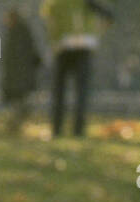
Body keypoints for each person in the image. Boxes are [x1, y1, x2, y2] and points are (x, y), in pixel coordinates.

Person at [41, 0, 114, 137]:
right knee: (80, 91)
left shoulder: (53, 3)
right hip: (83, 47)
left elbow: (50, 24)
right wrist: (96, 35)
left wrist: (52, 43)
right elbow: (108, 16)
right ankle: (77, 131)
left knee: (60, 91)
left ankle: (57, 130)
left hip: (63, 47)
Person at [2, 7, 42, 135]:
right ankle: (15, 125)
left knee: (18, 102)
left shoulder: (16, 33)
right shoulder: (21, 31)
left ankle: (15, 125)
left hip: (17, 78)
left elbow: (12, 57)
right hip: (21, 77)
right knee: (20, 102)